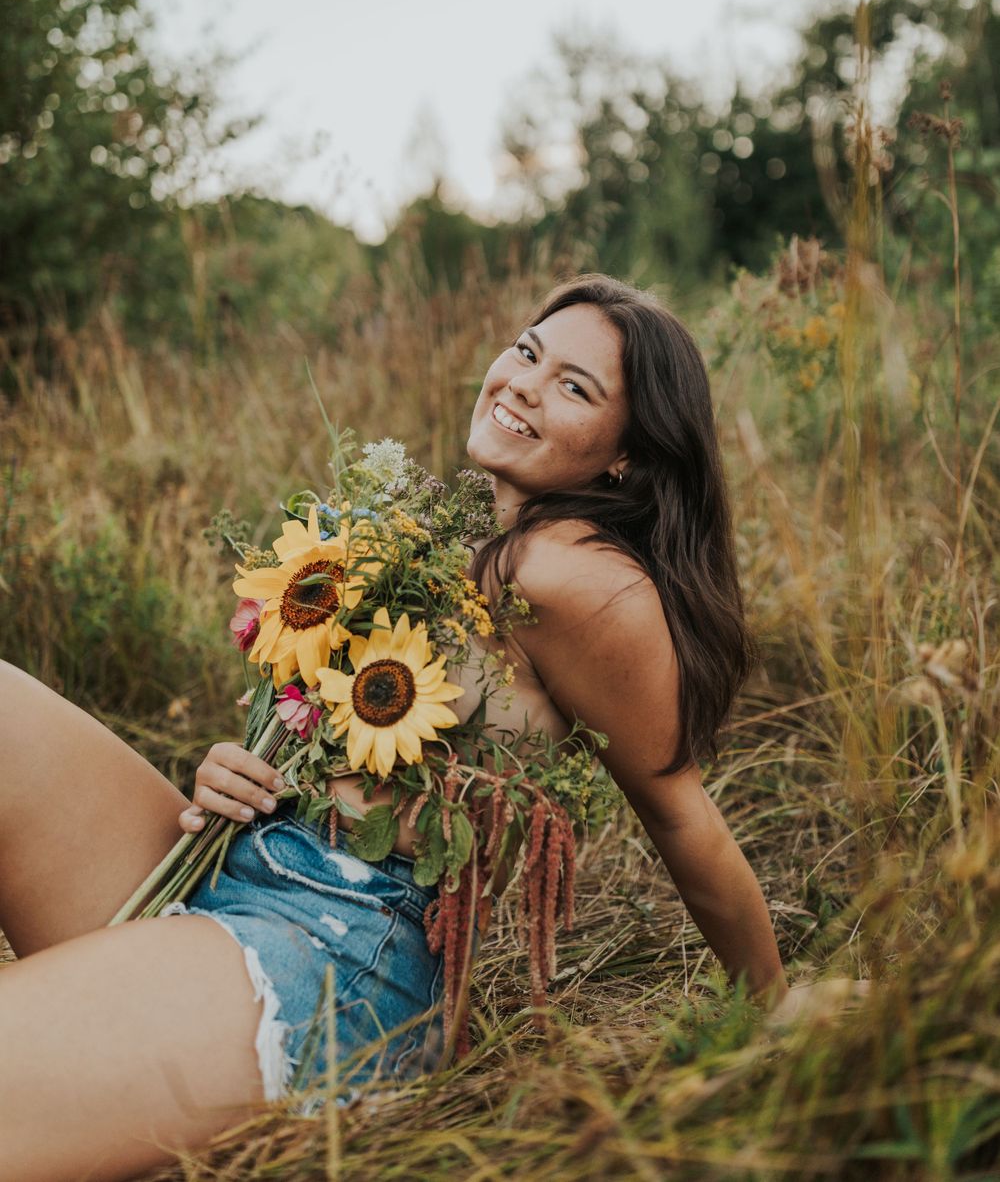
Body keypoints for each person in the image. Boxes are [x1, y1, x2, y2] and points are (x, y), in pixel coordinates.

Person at [0, 272, 790, 1182]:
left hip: (338, 951)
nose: (525, 384)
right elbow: (350, 750)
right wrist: (238, 771)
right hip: (237, 866)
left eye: (575, 387)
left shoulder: (582, 580)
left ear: (629, 457)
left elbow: (683, 818)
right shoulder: (451, 542)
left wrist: (771, 1011)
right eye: (527, 352)